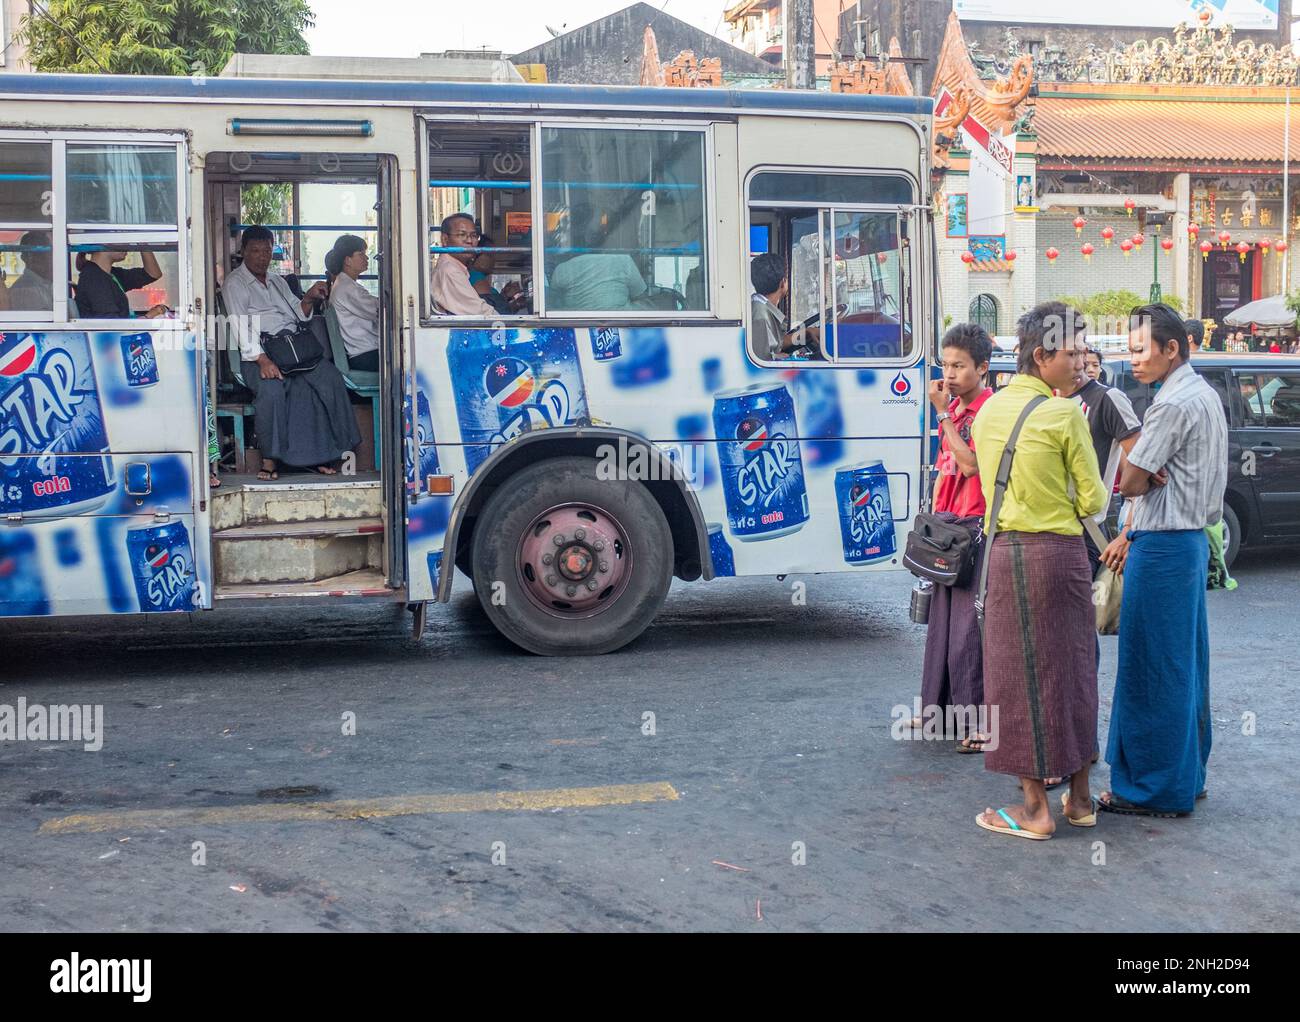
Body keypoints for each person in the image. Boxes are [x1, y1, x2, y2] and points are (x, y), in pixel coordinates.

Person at [970, 301, 1108, 839]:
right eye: (1072, 353)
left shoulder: (987, 413)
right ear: (1041, 354)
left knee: (1012, 680)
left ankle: (1034, 810)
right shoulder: (1065, 413)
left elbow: (986, 488)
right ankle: (1078, 799)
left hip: (1008, 554)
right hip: (1065, 558)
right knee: (1073, 670)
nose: (1082, 362)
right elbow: (1093, 498)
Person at [1100, 302, 1228, 818]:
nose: (1132, 360)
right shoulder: (1203, 394)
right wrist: (1144, 475)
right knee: (1183, 668)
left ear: (1171, 349)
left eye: (1139, 350)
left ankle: (1151, 789)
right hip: (1188, 544)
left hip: (1165, 548)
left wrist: (1139, 475)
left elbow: (1128, 480)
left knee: (1153, 670)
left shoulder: (1171, 404)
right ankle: (1183, 778)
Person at [222, 226, 360, 481]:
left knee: (329, 379)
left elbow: (298, 313)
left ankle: (333, 453)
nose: (262, 257)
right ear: (243, 252)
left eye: (266, 251)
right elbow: (240, 325)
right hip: (261, 354)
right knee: (272, 390)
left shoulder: (276, 280)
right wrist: (262, 360)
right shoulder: (235, 283)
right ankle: (270, 460)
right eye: (255, 251)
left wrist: (307, 298)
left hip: (293, 351)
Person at [917, 323, 993, 751]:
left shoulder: (985, 410)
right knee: (941, 622)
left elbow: (969, 466)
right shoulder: (958, 409)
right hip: (947, 523)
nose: (949, 374)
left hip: (974, 526)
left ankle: (974, 720)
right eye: (945, 364)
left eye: (959, 366)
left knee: (967, 627)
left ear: (981, 368)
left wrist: (943, 414)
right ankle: (939, 713)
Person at [549, 208, 648, 311]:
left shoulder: (562, 269)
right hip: (621, 324)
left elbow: (553, 305)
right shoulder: (623, 261)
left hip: (577, 324)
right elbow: (641, 299)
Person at [748, 253, 821, 360]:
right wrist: (776, 357)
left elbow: (778, 343)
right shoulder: (759, 314)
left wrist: (807, 332)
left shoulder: (762, 306)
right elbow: (760, 357)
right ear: (783, 283)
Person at [325, 234, 380, 372]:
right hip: (365, 355)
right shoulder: (346, 288)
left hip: (365, 351)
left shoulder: (345, 284)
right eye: (361, 254)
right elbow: (379, 310)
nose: (366, 258)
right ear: (347, 260)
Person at [431, 214, 498, 317]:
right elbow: (479, 311)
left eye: (474, 235)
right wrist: (506, 322)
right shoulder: (450, 270)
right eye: (462, 235)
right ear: (445, 239)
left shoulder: (455, 266)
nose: (469, 241)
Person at [74, 248, 168, 319]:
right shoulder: (94, 278)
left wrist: (143, 245)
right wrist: (148, 316)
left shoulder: (112, 274)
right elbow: (111, 323)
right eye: (122, 241)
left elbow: (153, 274)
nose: (126, 247)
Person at [469, 235, 526, 315]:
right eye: (490, 255)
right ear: (474, 256)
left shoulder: (475, 277)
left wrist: (505, 296)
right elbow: (497, 314)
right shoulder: (478, 280)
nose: (493, 260)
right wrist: (517, 304)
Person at [6, 231, 54, 311]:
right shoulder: (25, 289)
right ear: (26, 258)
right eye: (39, 255)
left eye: (49, 254)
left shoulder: (45, 284)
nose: (49, 259)